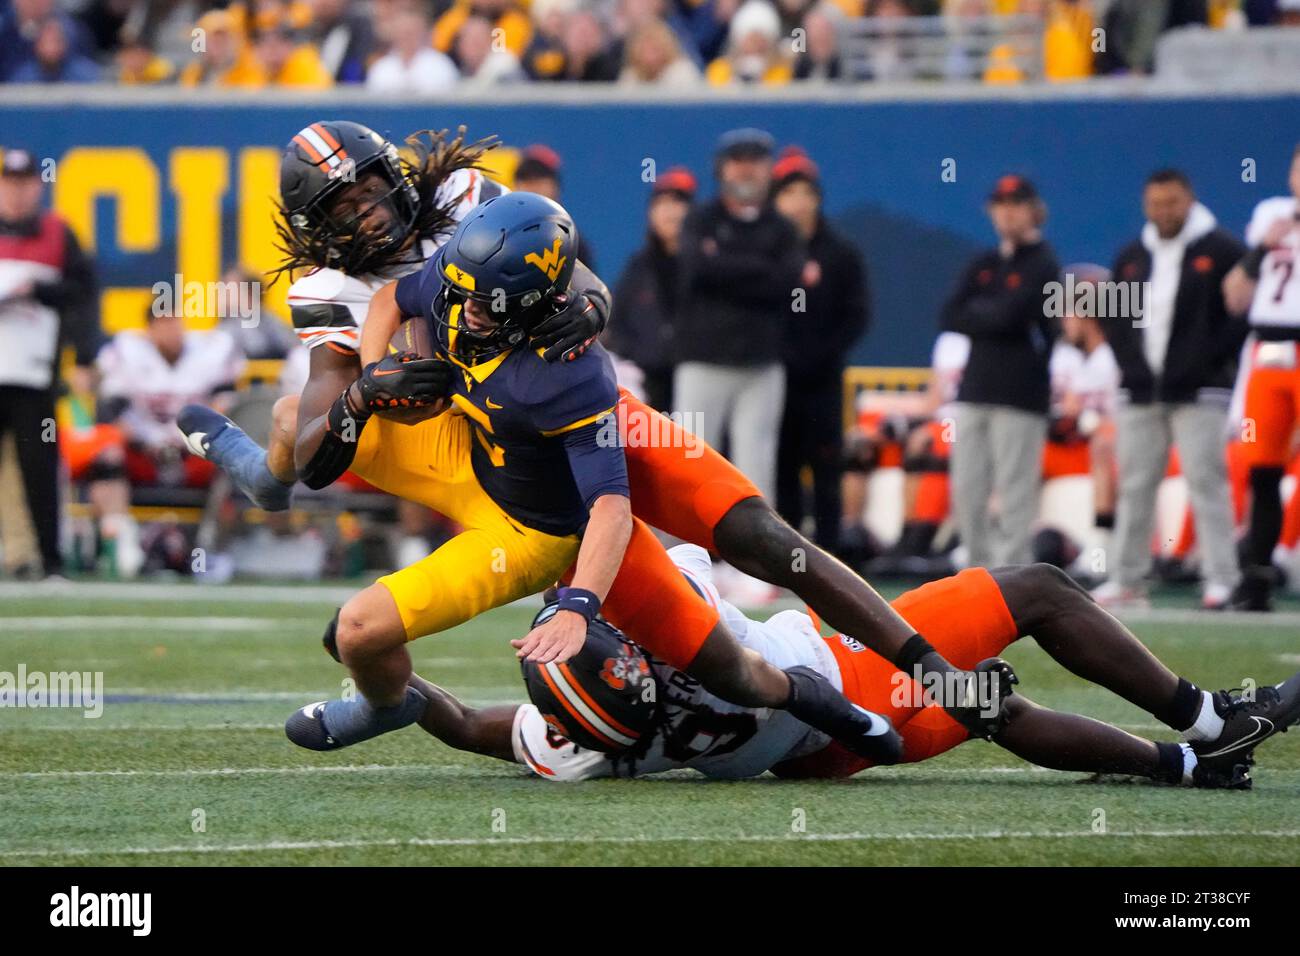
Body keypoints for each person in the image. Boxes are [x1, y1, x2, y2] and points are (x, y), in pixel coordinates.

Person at [285, 194, 905, 766]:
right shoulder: (462, 278)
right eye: (461, 291)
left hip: (530, 533)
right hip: (465, 452)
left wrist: (580, 605)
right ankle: (378, 688)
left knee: (357, 631)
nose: (464, 308)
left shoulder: (568, 375)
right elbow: (400, 294)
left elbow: (609, 504)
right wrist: (369, 379)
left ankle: (821, 701)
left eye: (485, 301)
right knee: (294, 419)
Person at [398, 545, 1300, 789]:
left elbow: (469, 725)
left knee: (998, 708)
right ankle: (1214, 722)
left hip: (826, 755)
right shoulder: (682, 622)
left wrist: (390, 692)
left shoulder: (589, 744)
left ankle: (1188, 765)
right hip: (844, 680)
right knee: (1040, 594)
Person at [178, 122, 607, 514]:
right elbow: (314, 465)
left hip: (520, 386)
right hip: (433, 422)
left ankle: (263, 480)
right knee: (294, 419)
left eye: (369, 192)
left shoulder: (461, 197)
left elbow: (585, 282)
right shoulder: (330, 290)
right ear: (318, 227)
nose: (368, 212)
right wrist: (362, 393)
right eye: (343, 210)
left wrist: (591, 305)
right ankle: (265, 480)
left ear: (393, 175)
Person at [1092, 169, 1246, 610]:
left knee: (1206, 481)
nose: (1164, 211)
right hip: (1141, 392)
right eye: (1156, 203)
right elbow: (1113, 319)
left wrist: (1206, 363)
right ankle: (1126, 578)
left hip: (1201, 391)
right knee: (1136, 483)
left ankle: (1221, 578)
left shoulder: (1222, 250)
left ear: (1190, 200)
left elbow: (1237, 318)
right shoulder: (1131, 257)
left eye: (1172, 202)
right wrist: (1133, 368)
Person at [673, 128, 804, 503]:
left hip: (760, 364)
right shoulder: (701, 219)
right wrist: (758, 269)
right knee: (689, 459)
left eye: (756, 162)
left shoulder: (782, 228)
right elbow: (698, 269)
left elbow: (785, 284)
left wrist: (724, 264)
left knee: (756, 466)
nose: (746, 171)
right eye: (737, 162)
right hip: (702, 360)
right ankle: (683, 554)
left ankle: (754, 560)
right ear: (722, 169)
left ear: (769, 170)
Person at [943, 174, 1060, 567]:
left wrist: (986, 312)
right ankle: (975, 567)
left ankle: (1012, 572)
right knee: (967, 487)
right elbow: (950, 313)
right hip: (976, 389)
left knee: (1015, 489)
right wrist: (993, 313)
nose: (1007, 214)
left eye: (1016, 205)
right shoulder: (985, 264)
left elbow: (1014, 315)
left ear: (1033, 211)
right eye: (1000, 206)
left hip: (1020, 395)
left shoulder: (1044, 262)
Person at [0, 148, 101, 580]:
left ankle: (50, 560)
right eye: (10, 183)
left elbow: (82, 293)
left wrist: (38, 293)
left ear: (37, 187)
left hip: (33, 372)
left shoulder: (58, 233)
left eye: (25, 183)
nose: (17, 193)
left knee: (39, 469)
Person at [771, 146, 869, 553]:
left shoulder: (841, 254)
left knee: (827, 470)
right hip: (777, 380)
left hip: (824, 382)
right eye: (788, 193)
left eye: (805, 193)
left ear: (817, 198)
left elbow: (857, 314)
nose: (797, 203)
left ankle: (831, 560)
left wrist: (822, 355)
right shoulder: (767, 251)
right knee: (783, 472)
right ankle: (789, 562)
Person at [1221, 145, 1300, 611]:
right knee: (1263, 471)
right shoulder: (1271, 214)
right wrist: (1261, 247)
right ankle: (1257, 579)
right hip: (1268, 353)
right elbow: (1234, 297)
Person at [604, 166, 696, 412]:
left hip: (699, 376)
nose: (671, 212)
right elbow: (615, 322)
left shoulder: (708, 264)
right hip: (648, 382)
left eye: (678, 203)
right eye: (662, 204)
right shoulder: (638, 266)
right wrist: (634, 355)